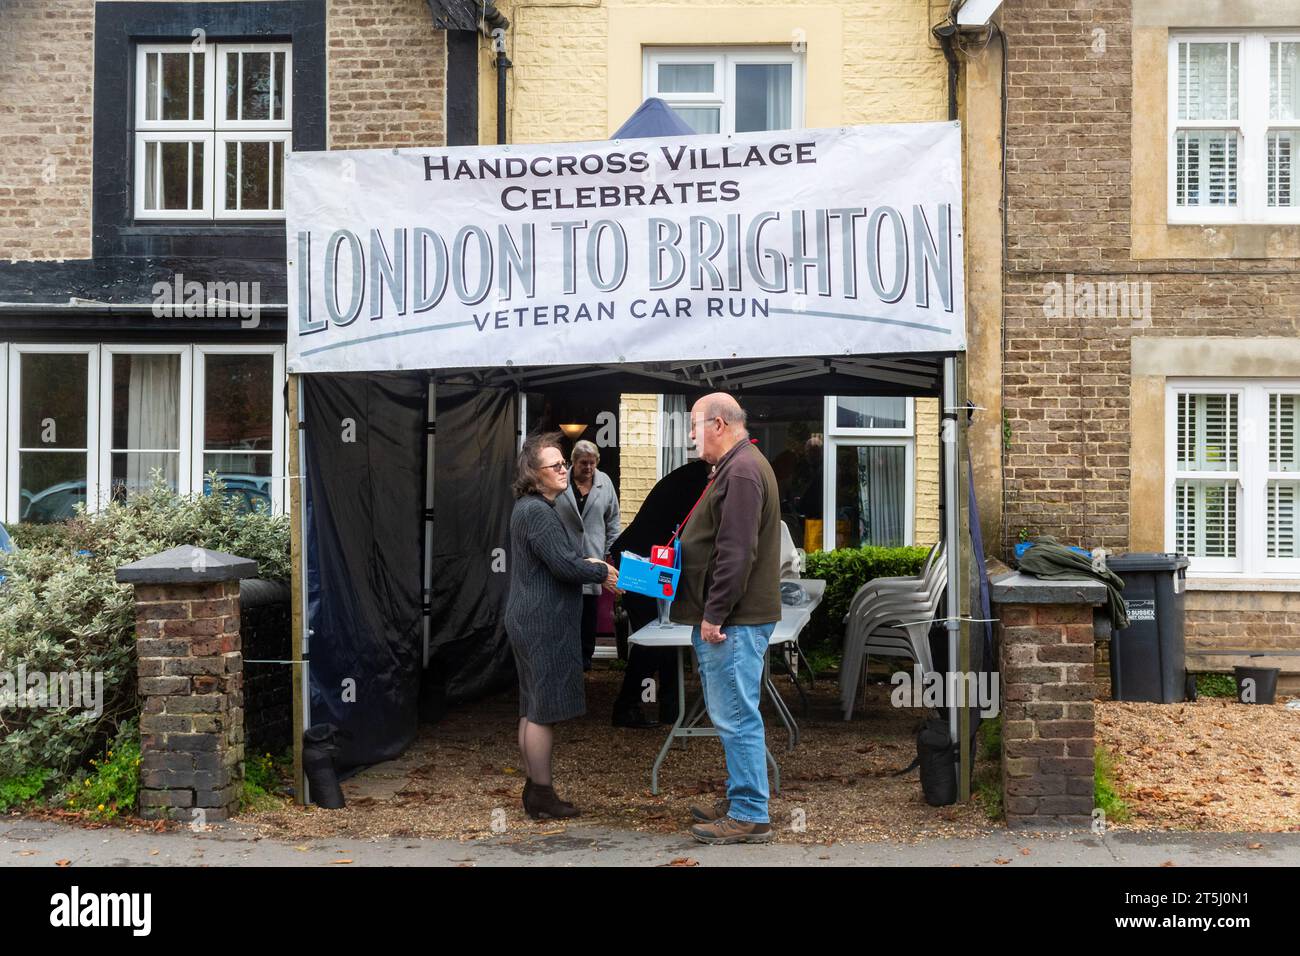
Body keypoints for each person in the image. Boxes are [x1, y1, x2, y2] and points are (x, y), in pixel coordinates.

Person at [670, 392, 782, 845]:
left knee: (736, 716)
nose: (691, 435)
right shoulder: (741, 465)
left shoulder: (742, 470)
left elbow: (736, 552)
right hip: (736, 618)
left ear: (718, 424)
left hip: (733, 621)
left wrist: (714, 614)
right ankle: (743, 798)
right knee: (736, 713)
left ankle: (751, 812)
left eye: (694, 426)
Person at [505, 432, 618, 820]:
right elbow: (565, 565)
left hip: (530, 617)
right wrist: (601, 570)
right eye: (554, 466)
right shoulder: (537, 511)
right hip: (540, 620)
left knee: (532, 705)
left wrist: (593, 566)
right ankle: (541, 793)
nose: (563, 471)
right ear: (533, 475)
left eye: (562, 464)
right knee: (542, 711)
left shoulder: (533, 507)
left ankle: (535, 788)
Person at [607, 457, 711, 728]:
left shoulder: (692, 476)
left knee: (663, 637)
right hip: (643, 563)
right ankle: (626, 707)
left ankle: (670, 709)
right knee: (652, 638)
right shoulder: (701, 481)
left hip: (645, 558)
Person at [554, 440, 621, 671]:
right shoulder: (560, 481)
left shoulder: (605, 483)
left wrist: (610, 553)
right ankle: (564, 658)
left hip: (594, 556)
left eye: (593, 463)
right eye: (584, 463)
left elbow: (613, 521)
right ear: (573, 462)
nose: (589, 468)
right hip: (565, 556)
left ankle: (585, 659)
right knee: (565, 609)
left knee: (589, 612)